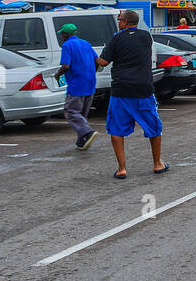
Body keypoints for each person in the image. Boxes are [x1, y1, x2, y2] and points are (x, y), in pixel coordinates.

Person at [96, 9, 167, 178]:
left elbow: (103, 62)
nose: (118, 22)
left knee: (116, 129)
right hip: (143, 90)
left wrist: (94, 58)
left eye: (120, 19)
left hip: (121, 90)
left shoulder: (116, 38)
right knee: (154, 127)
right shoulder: (146, 37)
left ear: (126, 22)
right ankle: (157, 164)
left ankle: (122, 169)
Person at [55, 23, 98, 152]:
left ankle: (88, 132)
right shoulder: (86, 43)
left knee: (71, 112)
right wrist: (91, 73)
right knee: (82, 115)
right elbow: (97, 61)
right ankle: (82, 141)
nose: (61, 35)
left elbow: (66, 66)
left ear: (66, 34)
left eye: (62, 33)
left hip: (77, 84)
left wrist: (58, 74)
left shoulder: (67, 45)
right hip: (90, 82)